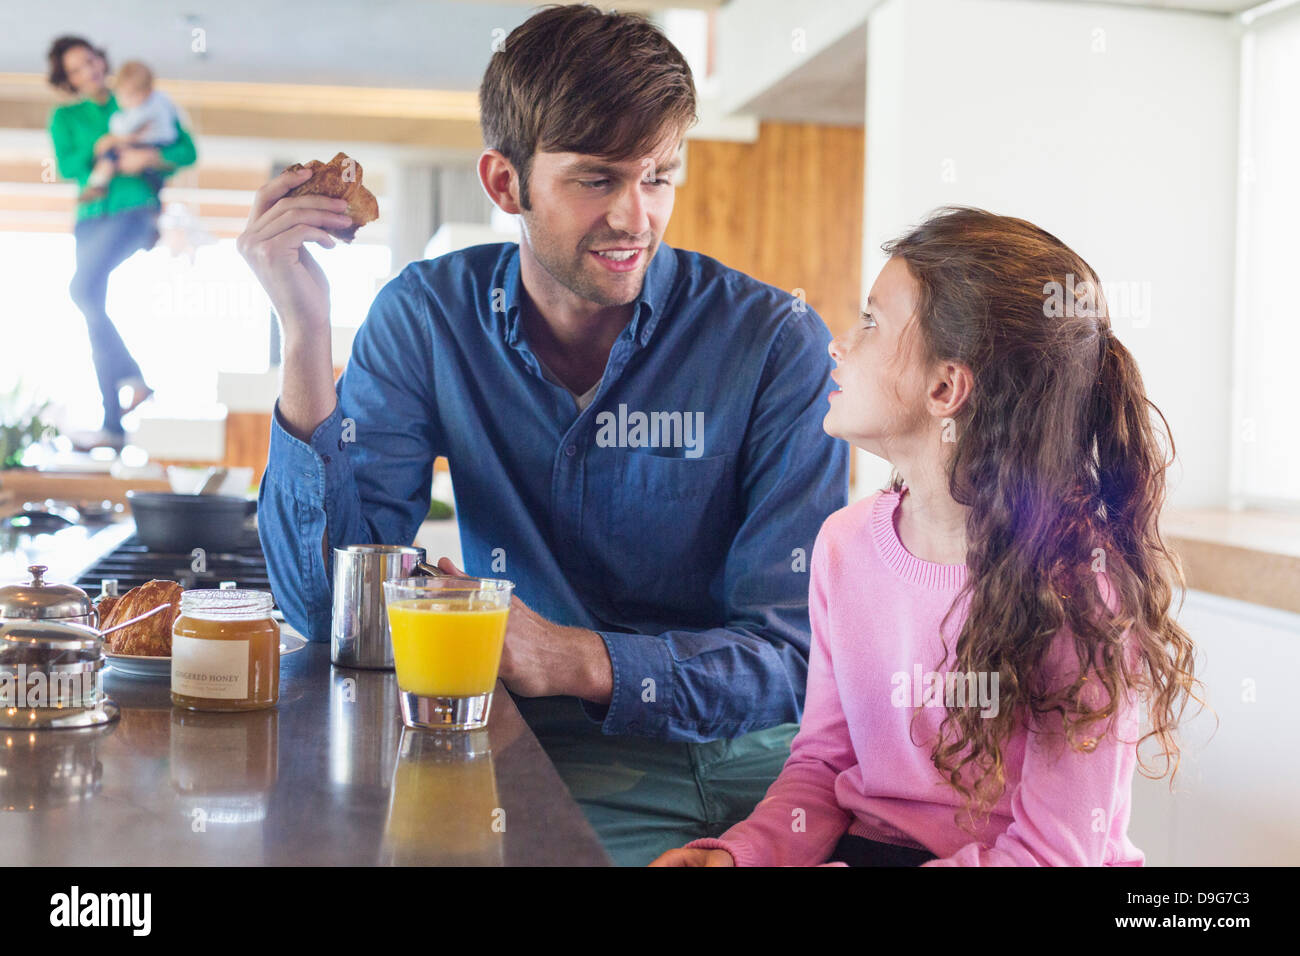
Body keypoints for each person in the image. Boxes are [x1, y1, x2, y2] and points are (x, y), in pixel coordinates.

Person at [239, 5, 848, 866]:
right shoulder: (428, 318)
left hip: (753, 766)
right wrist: (305, 337)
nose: (637, 217)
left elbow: (792, 652)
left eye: (660, 177)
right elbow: (326, 611)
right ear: (504, 183)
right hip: (535, 748)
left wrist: (570, 658)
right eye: (597, 179)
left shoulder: (775, 341)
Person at [652, 207, 1203, 867]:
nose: (839, 344)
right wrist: (743, 854)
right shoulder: (842, 546)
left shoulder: (1081, 588)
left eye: (871, 321)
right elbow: (823, 764)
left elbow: (1054, 852)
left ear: (945, 387)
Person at [46, 36, 197, 451]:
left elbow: (185, 150)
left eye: (91, 61)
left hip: (135, 211)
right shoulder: (65, 117)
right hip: (90, 219)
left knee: (81, 291)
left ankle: (131, 379)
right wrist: (99, 150)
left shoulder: (136, 96)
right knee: (93, 306)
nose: (89, 72)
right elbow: (68, 166)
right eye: (77, 69)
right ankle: (114, 425)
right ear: (67, 78)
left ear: (102, 60)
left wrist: (149, 159)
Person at [80, 60, 180, 203]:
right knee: (150, 172)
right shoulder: (163, 100)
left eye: (125, 96)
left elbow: (121, 130)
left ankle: (98, 183)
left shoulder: (143, 109)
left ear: (144, 93)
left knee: (110, 155)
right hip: (161, 142)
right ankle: (156, 191)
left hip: (150, 144)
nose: (121, 101)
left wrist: (116, 137)